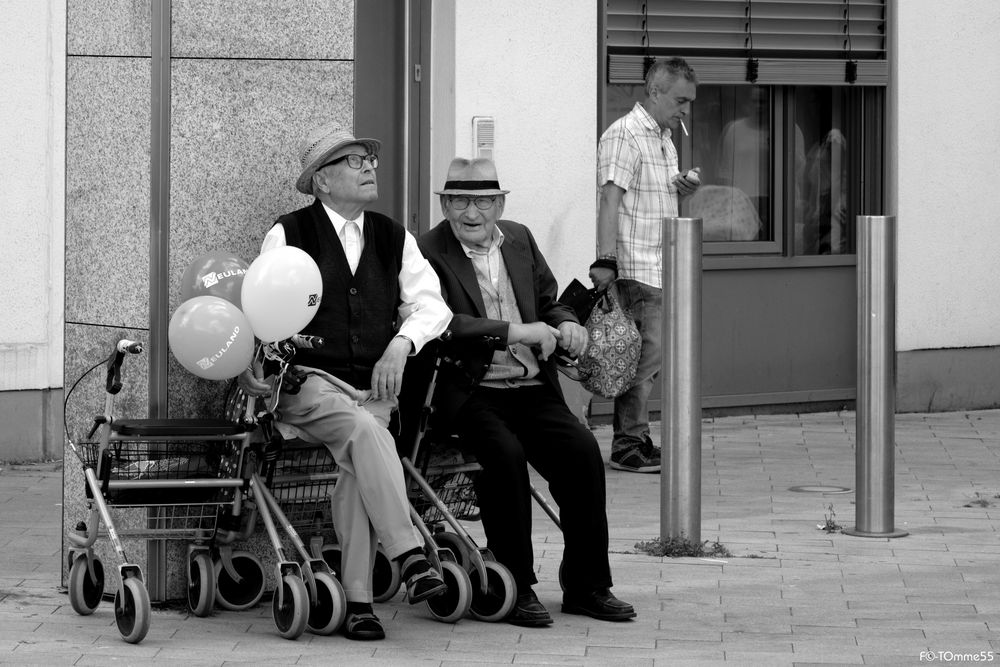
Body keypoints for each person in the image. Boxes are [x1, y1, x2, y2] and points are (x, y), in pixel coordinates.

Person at [238, 122, 452, 641]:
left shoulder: (392, 234)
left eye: (370, 161)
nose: (370, 168)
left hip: (373, 390)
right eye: (356, 162)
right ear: (323, 180)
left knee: (363, 451)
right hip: (307, 384)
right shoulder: (289, 233)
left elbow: (432, 305)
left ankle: (359, 601)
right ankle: (407, 552)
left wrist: (402, 344)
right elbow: (265, 314)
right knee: (364, 433)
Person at [418, 157, 636, 627]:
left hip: (532, 385)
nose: (469, 212)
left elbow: (549, 300)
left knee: (581, 452)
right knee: (505, 456)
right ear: (444, 204)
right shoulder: (426, 250)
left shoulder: (518, 237)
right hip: (469, 389)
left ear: (498, 204)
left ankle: (587, 586)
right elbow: (438, 322)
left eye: (481, 201)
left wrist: (567, 323)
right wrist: (516, 331)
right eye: (458, 200)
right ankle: (513, 585)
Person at [592, 57, 701, 473]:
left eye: (689, 101)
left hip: (660, 265)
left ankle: (636, 438)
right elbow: (610, 199)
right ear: (655, 91)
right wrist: (606, 261)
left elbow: (654, 201)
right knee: (644, 360)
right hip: (637, 267)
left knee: (649, 360)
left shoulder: (664, 139)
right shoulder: (625, 135)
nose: (685, 110)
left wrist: (684, 191)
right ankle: (628, 445)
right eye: (680, 100)